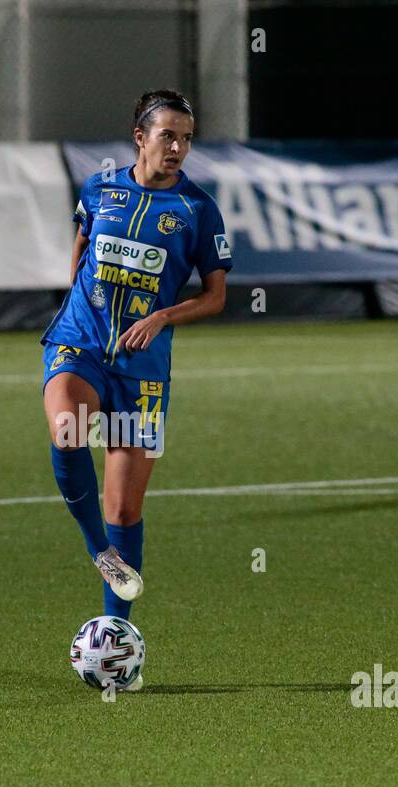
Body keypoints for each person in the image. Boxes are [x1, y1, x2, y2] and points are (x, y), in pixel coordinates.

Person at [40, 89, 233, 645]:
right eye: (168, 135)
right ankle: (97, 549)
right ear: (140, 137)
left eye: (187, 138)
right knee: (67, 427)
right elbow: (78, 250)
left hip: (143, 366)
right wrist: (80, 307)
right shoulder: (100, 189)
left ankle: (116, 637)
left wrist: (162, 316)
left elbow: (216, 296)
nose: (178, 147)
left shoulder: (197, 210)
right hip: (80, 343)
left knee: (123, 503)